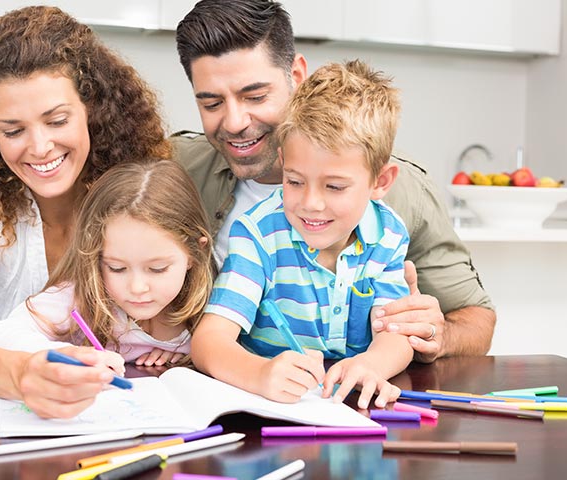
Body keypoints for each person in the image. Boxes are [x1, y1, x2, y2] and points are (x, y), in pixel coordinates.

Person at [173, 0, 495, 364]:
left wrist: (434, 333)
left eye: (256, 96)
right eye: (212, 104)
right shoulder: (175, 169)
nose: (233, 122)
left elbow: (477, 319)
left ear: (296, 76)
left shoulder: (402, 199)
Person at [0, 6, 171, 414]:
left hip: (114, 413)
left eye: (57, 120)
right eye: (13, 130)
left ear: (91, 105)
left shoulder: (132, 195)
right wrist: (22, 374)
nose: (39, 147)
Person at [191, 60, 413, 409]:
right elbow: (209, 341)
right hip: (270, 407)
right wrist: (260, 373)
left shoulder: (388, 235)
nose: (310, 204)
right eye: (294, 181)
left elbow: (396, 334)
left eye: (335, 187)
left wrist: (370, 365)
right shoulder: (258, 234)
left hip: (344, 408)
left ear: (380, 182)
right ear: (283, 160)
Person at [0, 160, 214, 374]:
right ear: (95, 255)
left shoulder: (213, 309)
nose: (136, 287)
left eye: (157, 268)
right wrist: (66, 354)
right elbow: (0, 335)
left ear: (195, 252)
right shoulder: (81, 297)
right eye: (116, 268)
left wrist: (193, 353)